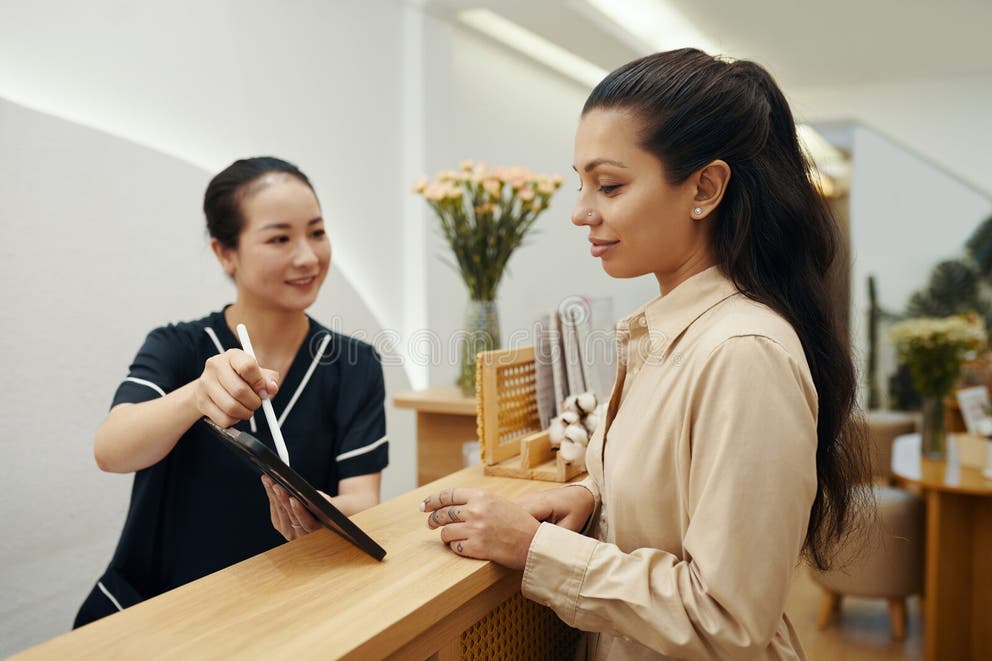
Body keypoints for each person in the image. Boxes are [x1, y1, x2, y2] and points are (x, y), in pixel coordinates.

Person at [420, 49, 869, 659]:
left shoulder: (742, 354)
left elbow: (727, 619)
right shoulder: (664, 336)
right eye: (582, 183)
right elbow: (680, 516)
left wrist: (536, 551)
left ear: (705, 188)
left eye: (609, 185)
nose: (581, 211)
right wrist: (596, 505)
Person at [75, 157, 388, 627]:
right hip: (150, 620)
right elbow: (110, 450)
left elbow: (363, 499)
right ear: (225, 253)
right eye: (280, 238)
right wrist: (196, 397)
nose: (307, 256)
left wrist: (320, 517)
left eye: (317, 232)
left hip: (275, 619)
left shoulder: (353, 363)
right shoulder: (178, 346)